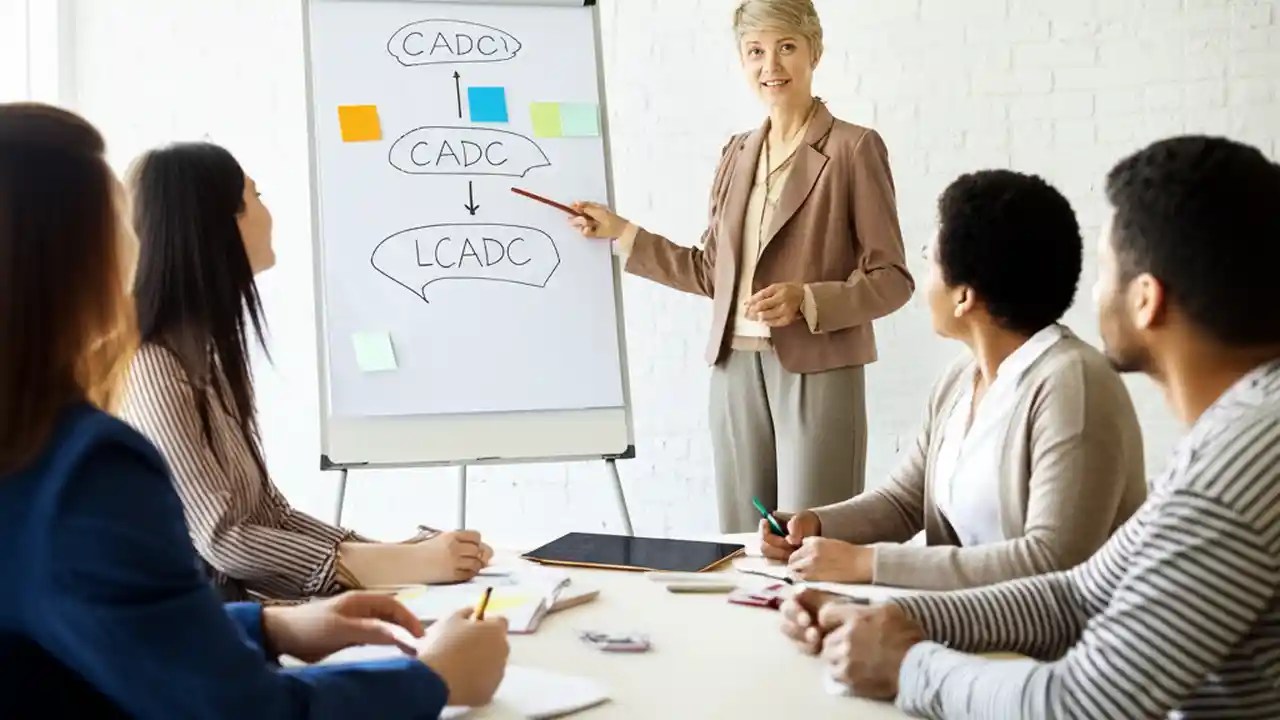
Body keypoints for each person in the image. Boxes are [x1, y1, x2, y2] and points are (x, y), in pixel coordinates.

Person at [0, 101, 509, 718]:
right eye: (116, 222)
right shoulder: (86, 462)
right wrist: (436, 678)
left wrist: (270, 628)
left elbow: (107, 624)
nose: (134, 242)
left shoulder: (60, 434)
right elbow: (239, 701)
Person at [781, 135, 1280, 717]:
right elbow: (1079, 593)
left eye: (1107, 269)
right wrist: (896, 618)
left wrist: (905, 663)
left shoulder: (1244, 455)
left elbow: (1081, 704)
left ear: (1146, 300)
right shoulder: (1237, 433)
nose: (1091, 293)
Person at [568, 0, 913, 532]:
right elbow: (712, 272)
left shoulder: (853, 148)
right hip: (733, 369)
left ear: (814, 52)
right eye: (755, 51)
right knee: (740, 538)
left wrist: (809, 299)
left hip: (818, 369)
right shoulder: (736, 153)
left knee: (810, 537)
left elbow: (892, 279)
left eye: (786, 48)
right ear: (742, 61)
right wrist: (622, 234)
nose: (770, 65)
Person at [120, 141, 492, 602]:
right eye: (256, 196)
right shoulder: (152, 365)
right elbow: (224, 540)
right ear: (220, 223)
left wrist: (384, 553)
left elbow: (270, 514)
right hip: (209, 630)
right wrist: (398, 563)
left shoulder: (204, 356)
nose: (266, 211)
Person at [757, 170, 1147, 591]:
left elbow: (1052, 560)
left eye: (929, 261)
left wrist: (869, 563)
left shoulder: (1074, 384)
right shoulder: (960, 379)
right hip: (967, 625)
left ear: (964, 296)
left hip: (1052, 646)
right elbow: (902, 502)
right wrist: (815, 524)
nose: (924, 285)